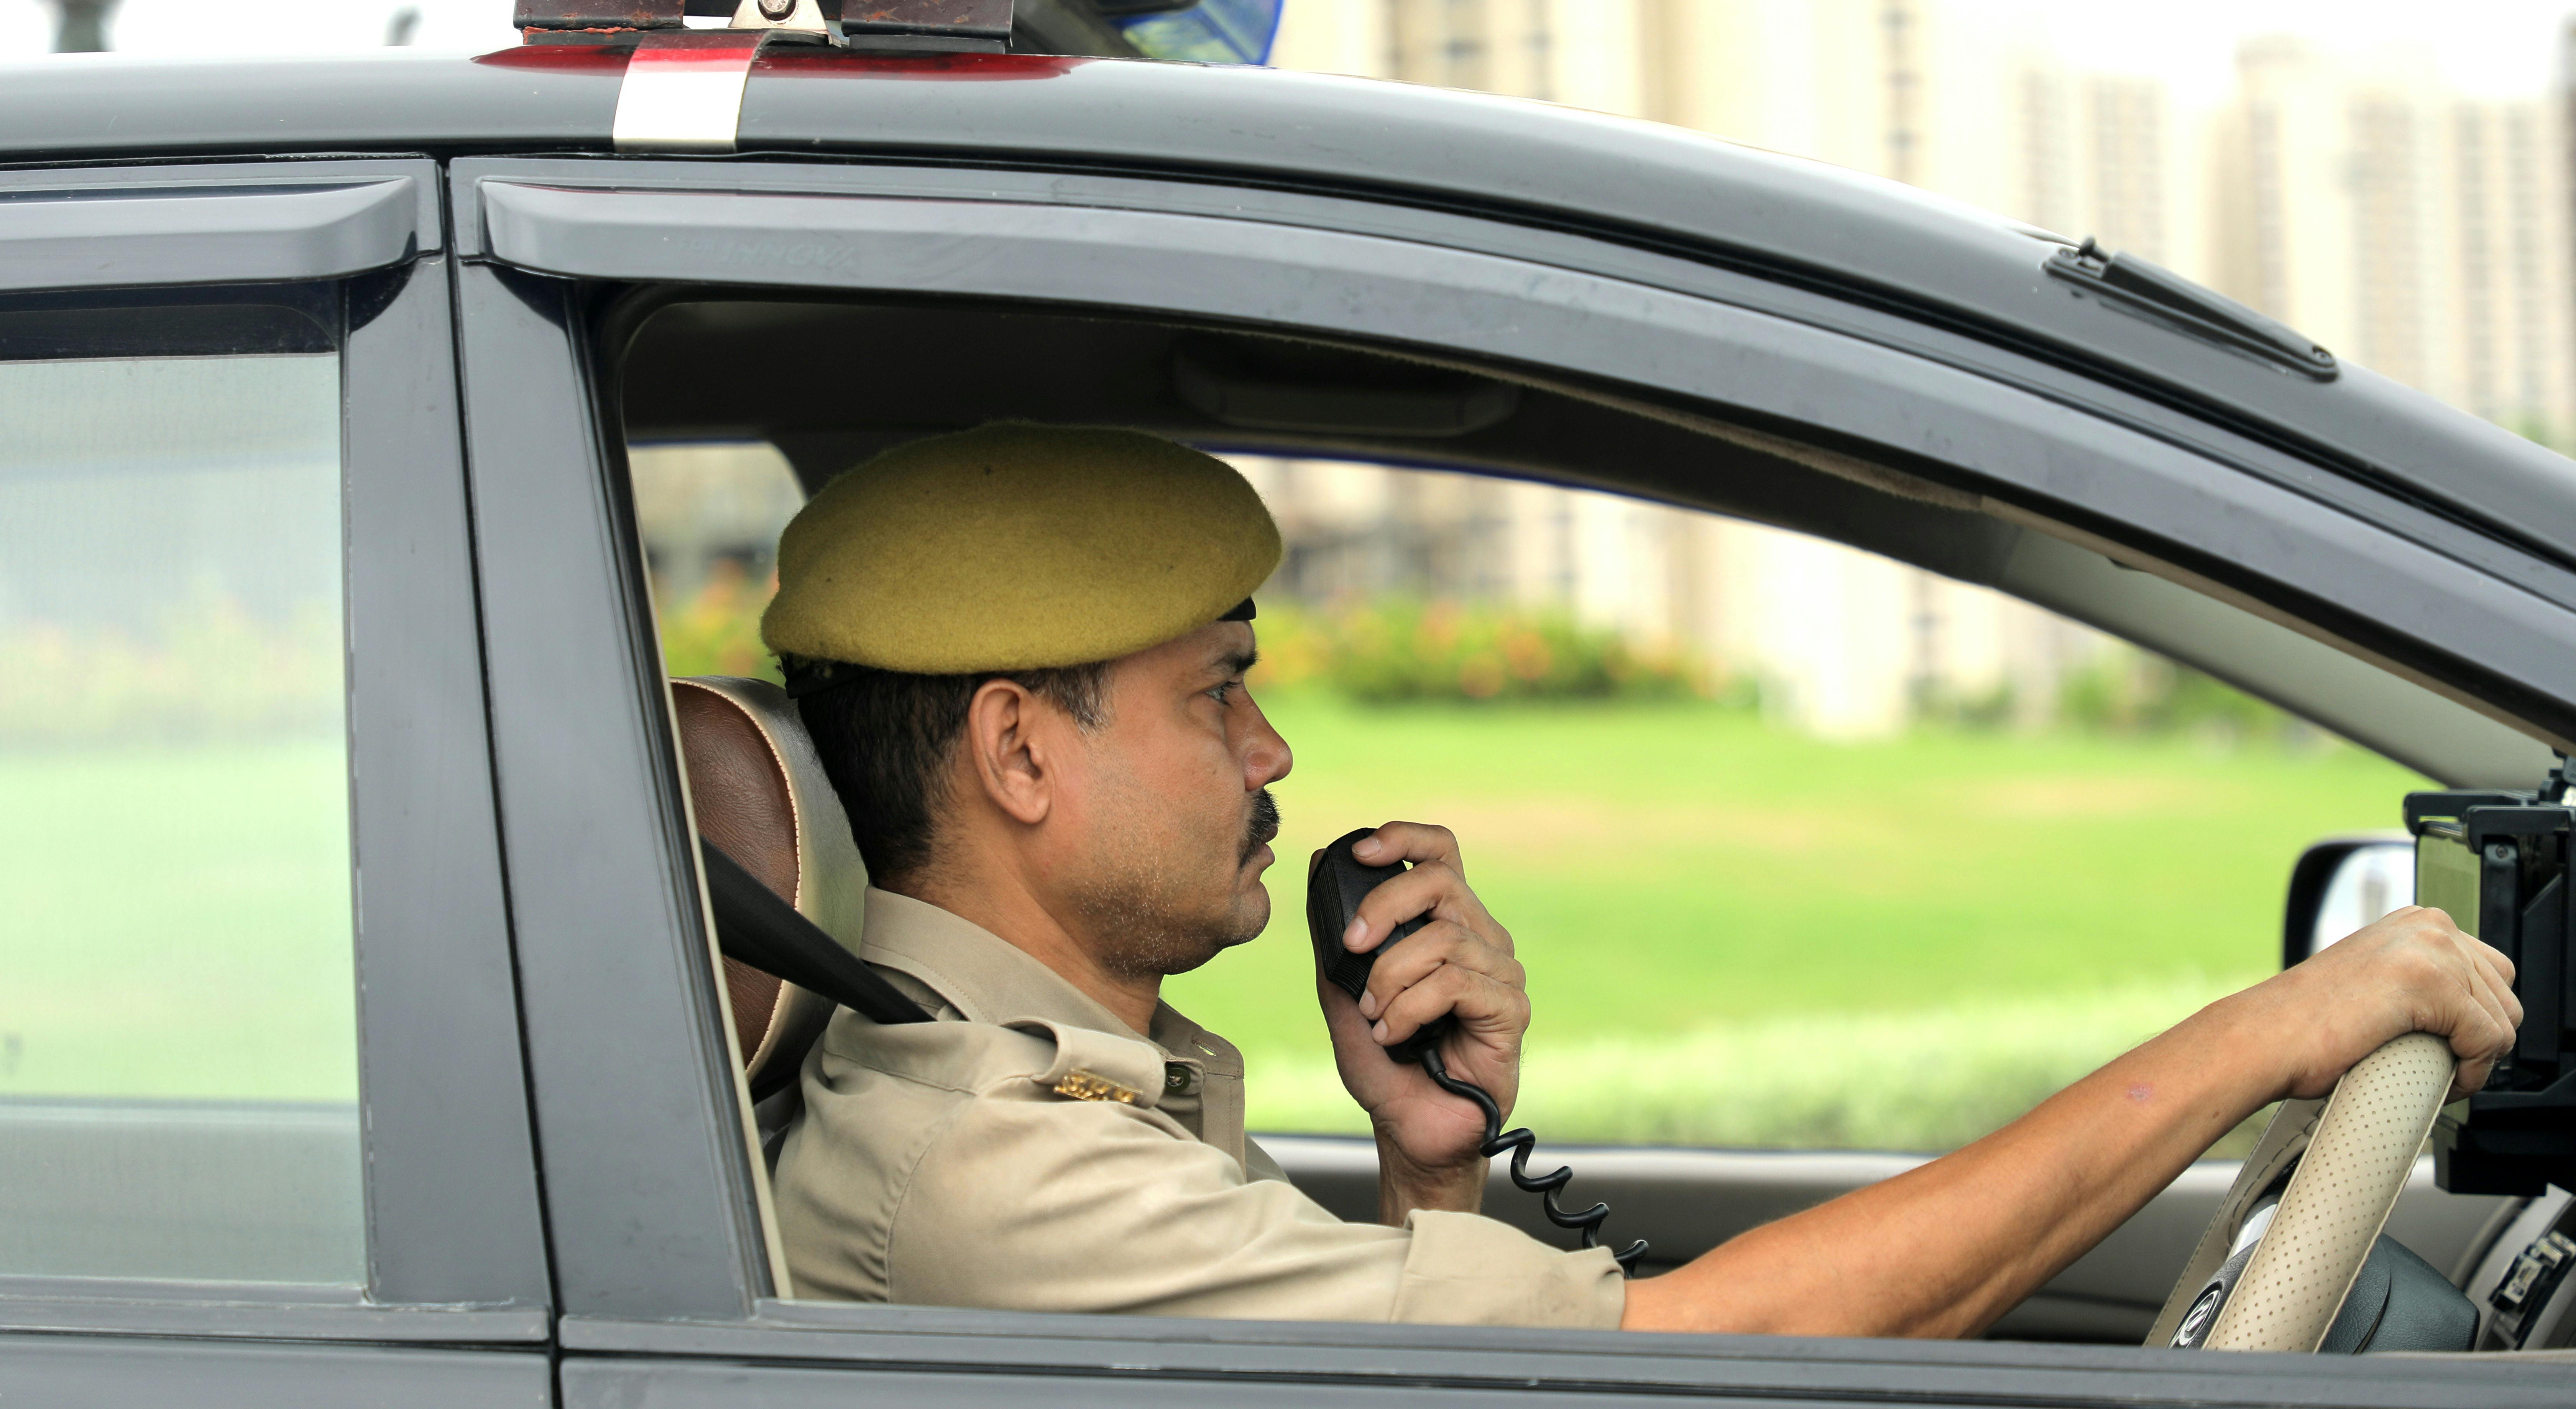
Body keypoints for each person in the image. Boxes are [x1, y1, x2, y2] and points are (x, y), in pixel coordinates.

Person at [763, 421, 2521, 1332]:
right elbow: (1713, 1352)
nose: (1276, 753)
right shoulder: (994, 1165)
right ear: (1017, 752)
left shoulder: (1043, 1095)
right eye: (1220, 693)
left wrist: (1429, 1173)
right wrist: (2268, 1037)